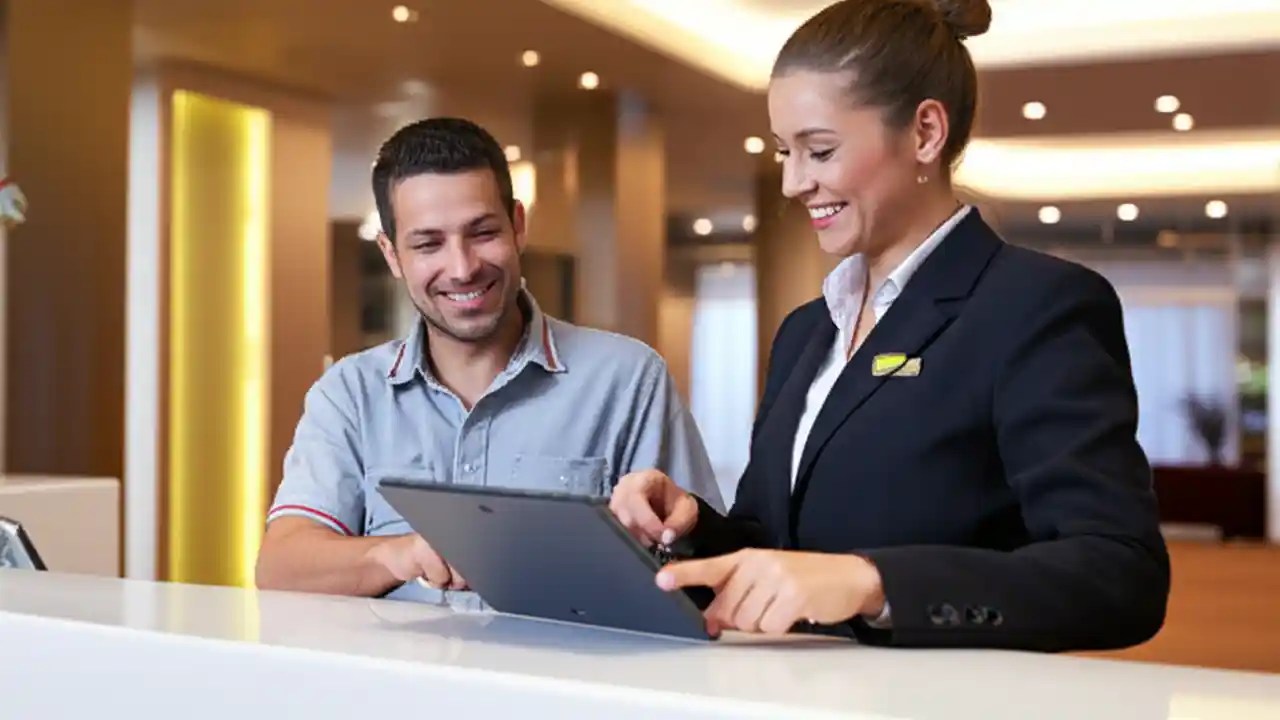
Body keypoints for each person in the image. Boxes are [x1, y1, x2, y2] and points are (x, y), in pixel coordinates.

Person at [610, 0, 1170, 651]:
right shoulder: (806, 331)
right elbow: (780, 544)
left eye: (819, 150)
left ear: (926, 132)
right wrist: (691, 524)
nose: (793, 182)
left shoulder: (1038, 305)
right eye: (784, 151)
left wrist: (878, 583)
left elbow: (1121, 577)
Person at [256, 117, 722, 604]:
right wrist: (399, 554)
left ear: (517, 225)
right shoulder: (350, 393)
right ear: (392, 255)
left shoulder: (627, 379)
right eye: (428, 243)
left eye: (481, 233)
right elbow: (283, 565)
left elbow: (708, 572)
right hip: (396, 681)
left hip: (565, 678)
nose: (462, 268)